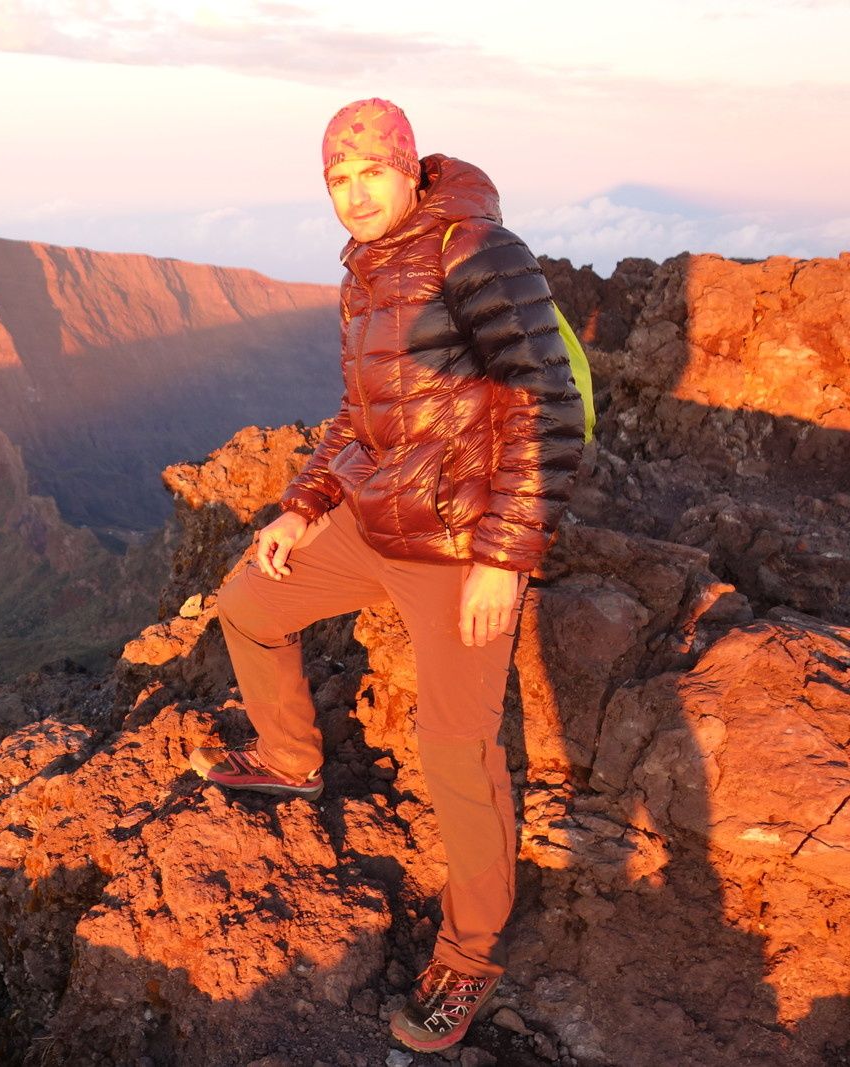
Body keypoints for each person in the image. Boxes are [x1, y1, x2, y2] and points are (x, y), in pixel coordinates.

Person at [188, 98, 585, 1054]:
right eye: (338, 178)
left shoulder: (474, 249)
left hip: (457, 546)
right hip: (373, 519)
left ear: (410, 168)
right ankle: (290, 760)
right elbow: (359, 414)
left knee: (457, 753)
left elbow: (549, 404)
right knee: (247, 604)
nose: (356, 193)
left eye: (372, 171)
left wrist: (504, 559)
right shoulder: (367, 266)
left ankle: (471, 953)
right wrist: (304, 502)